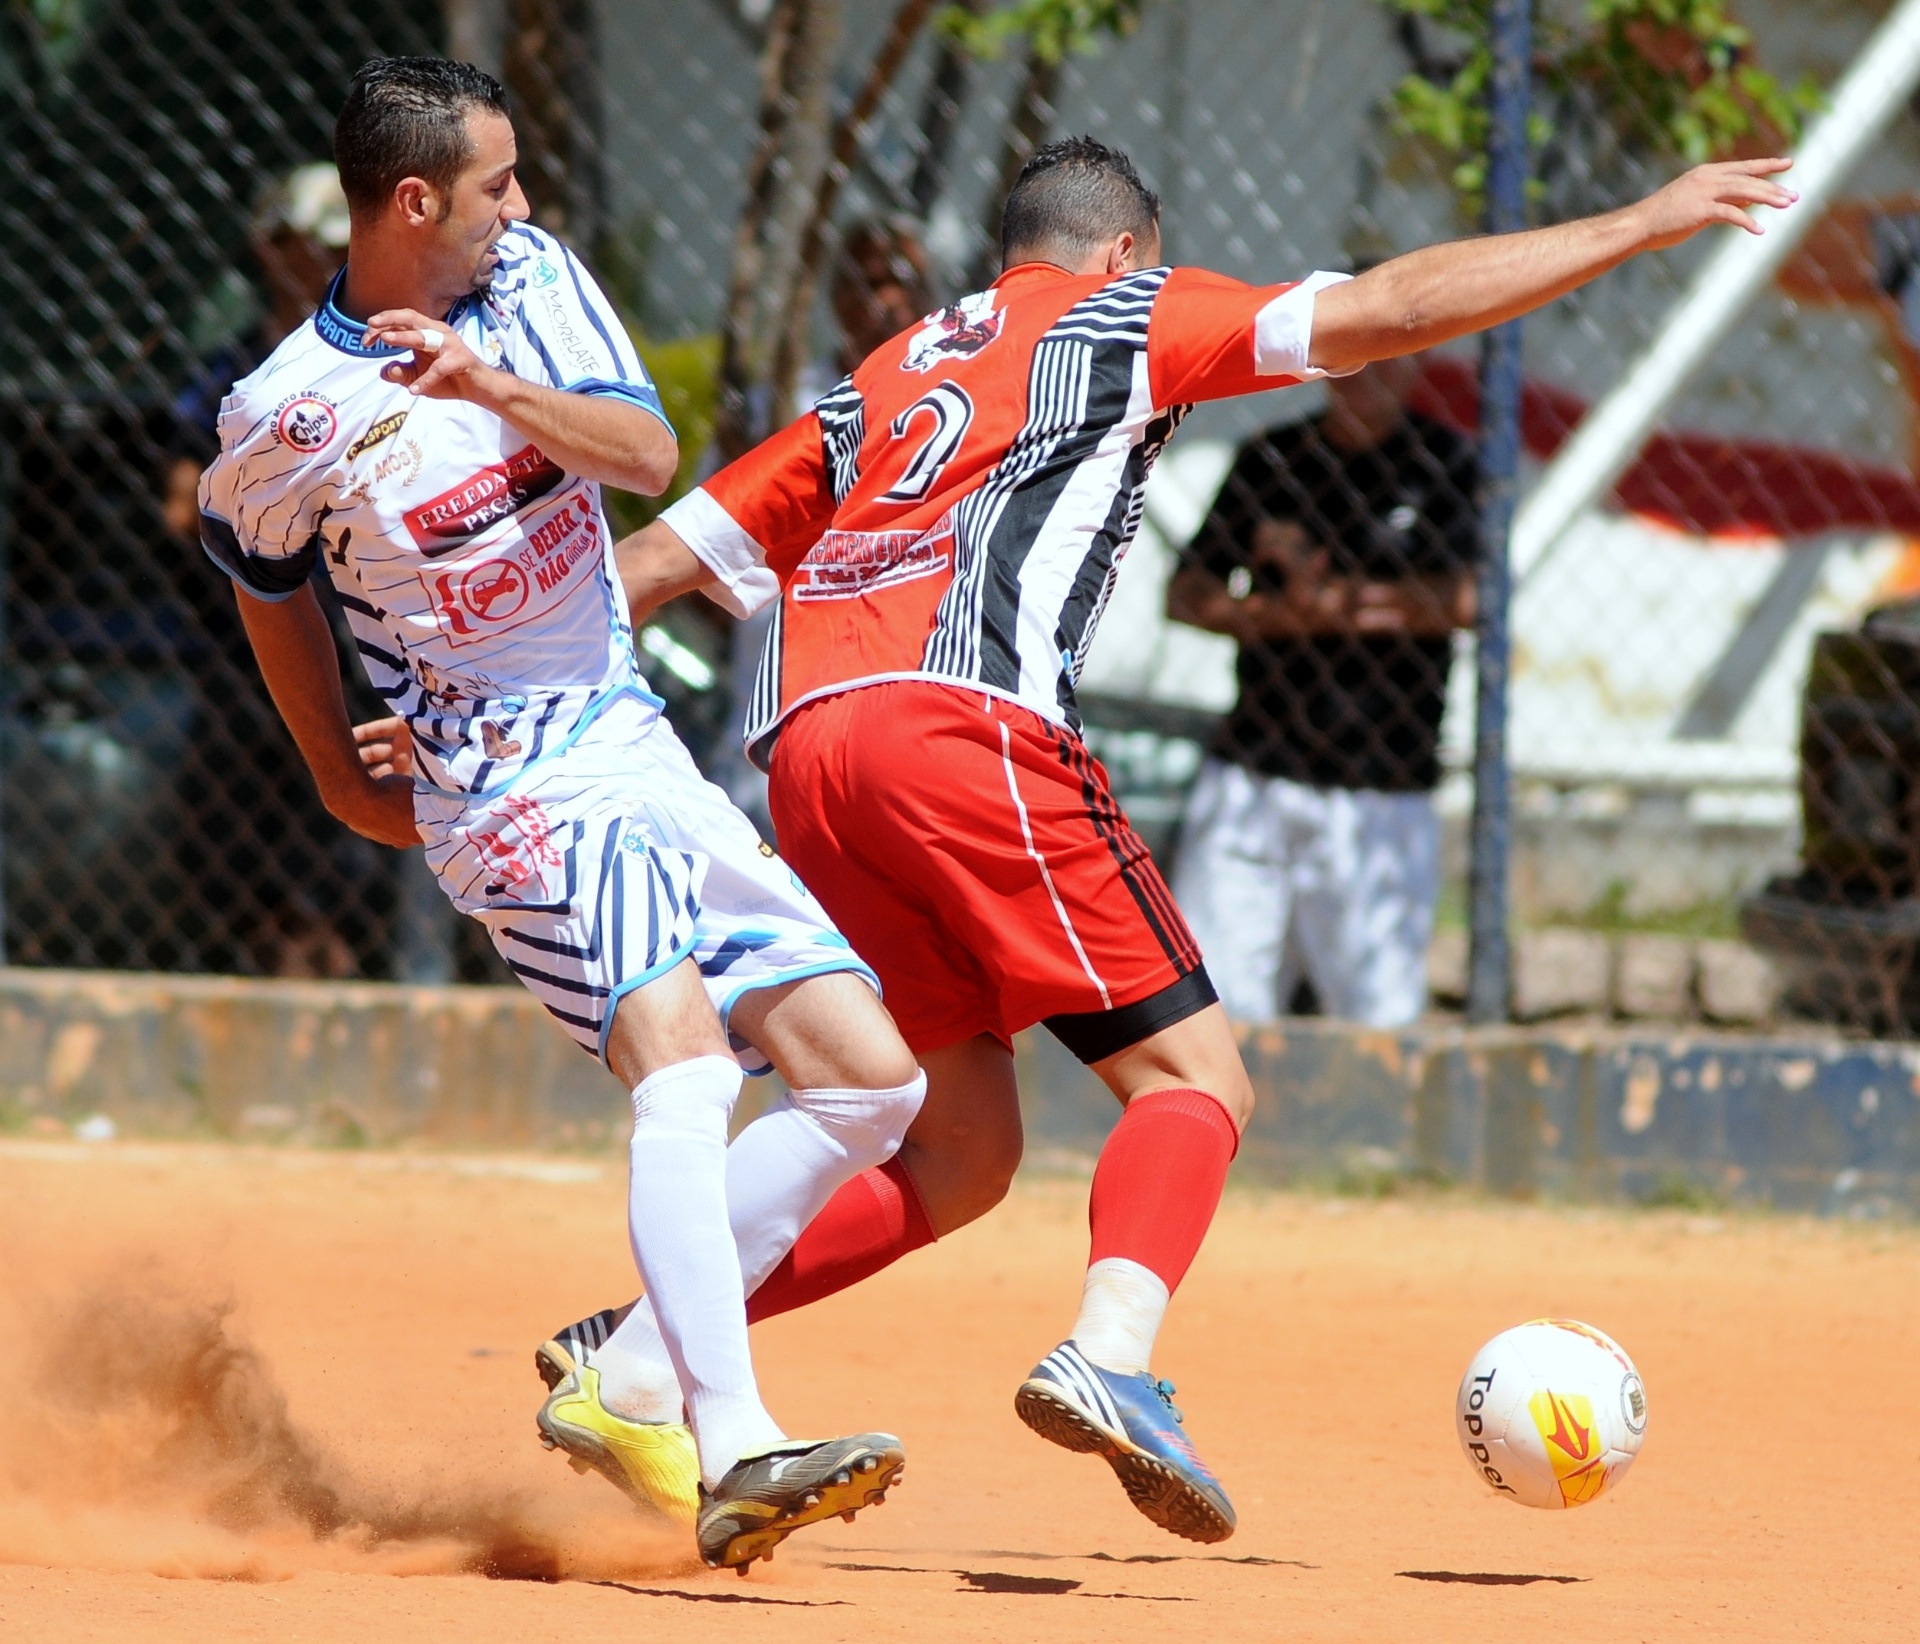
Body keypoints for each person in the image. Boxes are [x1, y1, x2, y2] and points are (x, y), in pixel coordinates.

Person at [571, 133, 1795, 1543]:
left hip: (806, 761)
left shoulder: (890, 370)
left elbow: (655, 564)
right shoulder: (1119, 313)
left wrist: (470, 710)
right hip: (960, 732)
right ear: (1126, 252)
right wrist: (1638, 220)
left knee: (959, 1153)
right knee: (1195, 1078)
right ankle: (1113, 1354)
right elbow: (1386, 313)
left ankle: (641, 1351)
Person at [196, 56, 928, 1573]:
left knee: (871, 1083)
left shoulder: (526, 283)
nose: (519, 204)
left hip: (627, 733)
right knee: (678, 1062)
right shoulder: (286, 409)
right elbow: (262, 576)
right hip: (495, 772)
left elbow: (648, 459)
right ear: (414, 203)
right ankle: (734, 1448)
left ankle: (635, 1377)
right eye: (495, 184)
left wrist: (494, 388)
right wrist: (336, 771)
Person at [1166, 349, 1479, 1027]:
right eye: (1351, 358)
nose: (1367, 377)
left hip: (1383, 780)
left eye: (1387, 360)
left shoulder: (1447, 463)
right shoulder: (1274, 459)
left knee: (1378, 1016)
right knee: (1212, 1004)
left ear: (1417, 365)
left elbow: (1473, 598)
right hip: (1256, 766)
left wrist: (1350, 603)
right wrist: (1279, 616)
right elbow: (1188, 594)